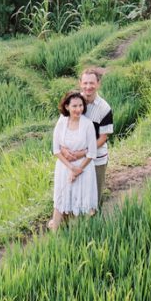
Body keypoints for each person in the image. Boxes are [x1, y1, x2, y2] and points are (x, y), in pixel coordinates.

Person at [61, 67, 113, 209]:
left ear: (98, 84)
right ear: (80, 83)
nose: (88, 87)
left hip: (97, 159)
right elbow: (61, 129)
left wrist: (82, 153)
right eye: (85, 83)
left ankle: (94, 225)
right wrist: (64, 150)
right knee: (72, 195)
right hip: (73, 159)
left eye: (92, 83)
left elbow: (103, 139)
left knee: (94, 197)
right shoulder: (73, 102)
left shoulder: (104, 108)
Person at [49, 90, 98, 230]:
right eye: (74, 106)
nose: (78, 109)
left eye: (81, 106)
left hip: (84, 168)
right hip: (64, 167)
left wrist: (78, 170)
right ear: (67, 107)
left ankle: (80, 231)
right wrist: (71, 168)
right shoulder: (62, 123)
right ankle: (55, 230)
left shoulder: (88, 124)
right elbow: (56, 150)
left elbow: (92, 152)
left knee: (81, 199)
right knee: (61, 198)